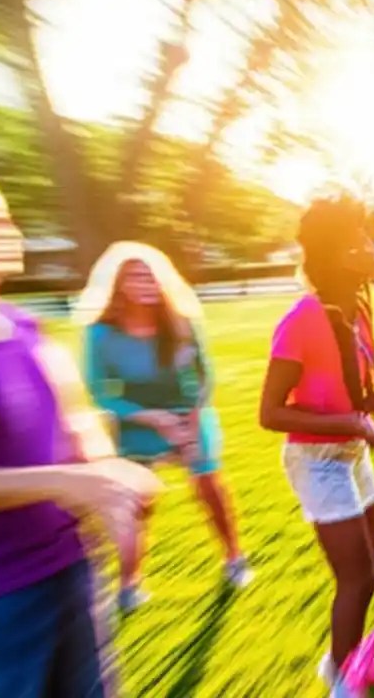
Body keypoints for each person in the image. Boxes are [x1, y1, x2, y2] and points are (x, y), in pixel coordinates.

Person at [0, 170, 163, 697]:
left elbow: (75, 420)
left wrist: (110, 479)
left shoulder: (25, 328)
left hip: (72, 573)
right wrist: (66, 483)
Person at [258, 196, 374, 695]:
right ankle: (346, 685)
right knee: (356, 574)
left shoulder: (355, 311)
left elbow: (358, 402)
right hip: (315, 459)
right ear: (343, 252)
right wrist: (352, 421)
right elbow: (269, 413)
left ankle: (338, 661)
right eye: (365, 239)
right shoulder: (304, 317)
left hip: (350, 450)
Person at [74, 242, 252, 612]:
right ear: (120, 284)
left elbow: (205, 377)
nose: (146, 282)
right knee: (138, 502)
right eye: (136, 276)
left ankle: (235, 559)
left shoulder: (181, 322)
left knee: (209, 486)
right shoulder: (99, 334)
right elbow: (99, 394)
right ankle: (128, 584)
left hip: (187, 415)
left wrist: (189, 420)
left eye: (150, 275)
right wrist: (151, 418)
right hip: (136, 419)